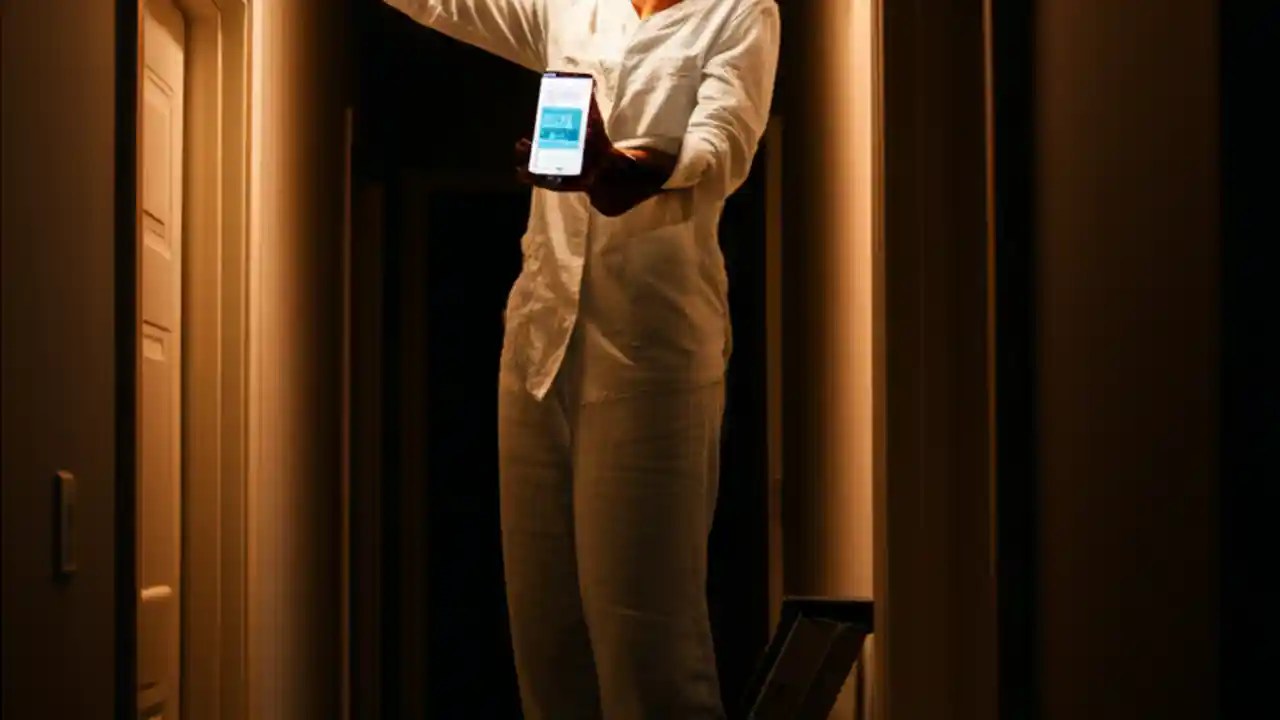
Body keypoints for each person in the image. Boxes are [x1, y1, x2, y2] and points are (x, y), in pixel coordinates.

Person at [383, 1, 780, 717]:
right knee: (546, 639)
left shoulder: (739, 13)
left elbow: (723, 143)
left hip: (652, 356)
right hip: (539, 350)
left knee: (648, 641)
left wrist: (625, 168)